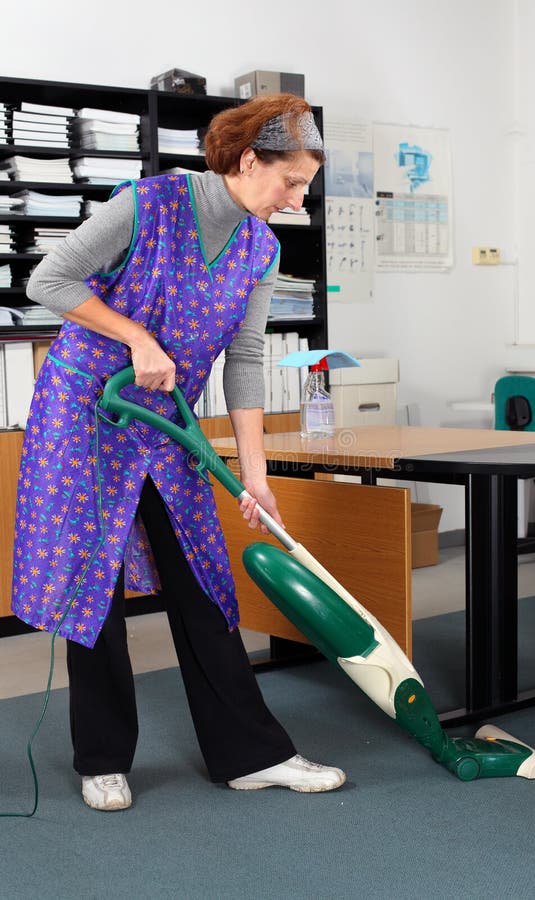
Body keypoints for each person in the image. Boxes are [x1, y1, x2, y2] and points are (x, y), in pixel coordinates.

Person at [11, 93, 346, 811]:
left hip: (168, 421)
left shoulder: (261, 247)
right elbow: (47, 280)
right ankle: (101, 758)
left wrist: (256, 476)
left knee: (202, 573)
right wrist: (134, 336)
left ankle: (250, 754)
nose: (296, 199)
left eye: (305, 188)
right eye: (291, 182)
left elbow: (248, 358)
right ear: (250, 160)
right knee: (92, 582)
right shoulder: (148, 204)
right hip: (86, 413)